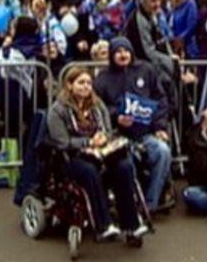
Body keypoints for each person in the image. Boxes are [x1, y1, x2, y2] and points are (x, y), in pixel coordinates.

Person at [46, 66, 149, 244]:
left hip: (101, 153)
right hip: (73, 157)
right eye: (81, 83)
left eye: (88, 83)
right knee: (89, 171)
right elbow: (61, 142)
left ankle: (131, 224)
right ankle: (104, 225)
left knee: (124, 166)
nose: (86, 86)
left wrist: (104, 138)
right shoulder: (58, 110)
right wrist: (88, 143)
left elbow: (107, 130)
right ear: (69, 85)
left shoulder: (98, 105)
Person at [93, 37, 173, 213]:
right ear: (112, 55)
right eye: (118, 52)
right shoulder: (103, 78)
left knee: (163, 151)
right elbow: (98, 107)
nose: (123, 55)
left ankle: (150, 203)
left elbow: (160, 99)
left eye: (126, 51)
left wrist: (160, 127)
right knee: (126, 161)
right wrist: (116, 116)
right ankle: (128, 203)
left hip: (145, 133)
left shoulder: (146, 70)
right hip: (117, 135)